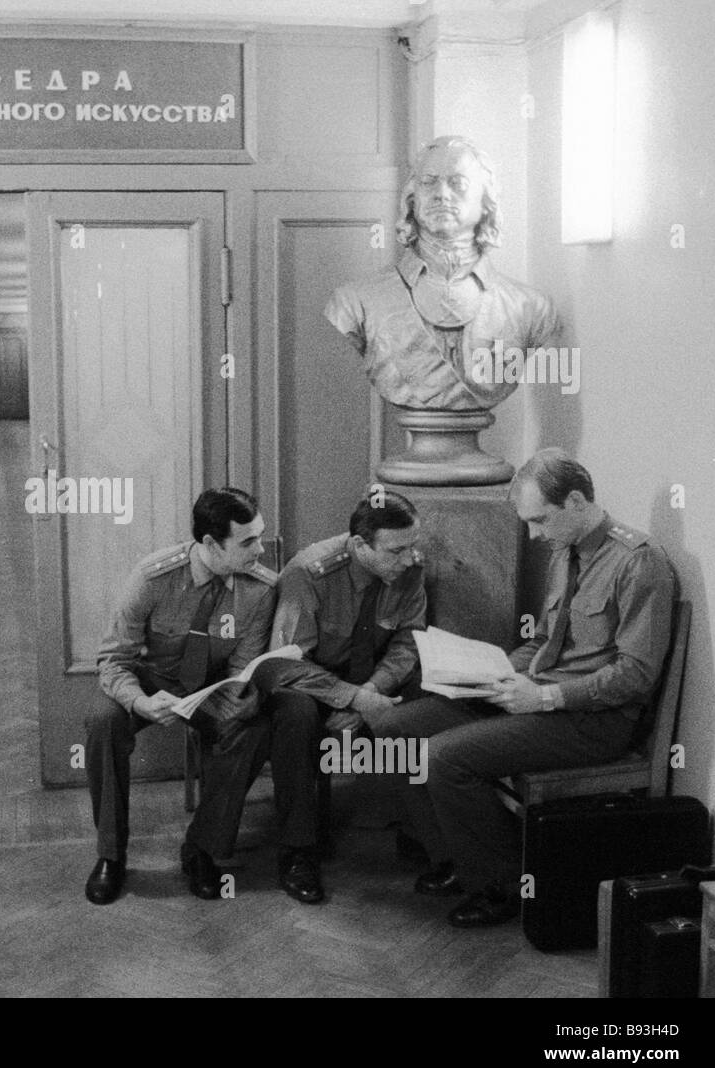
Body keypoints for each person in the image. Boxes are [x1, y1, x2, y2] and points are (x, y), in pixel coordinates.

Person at [375, 449, 676, 927]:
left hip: (593, 720)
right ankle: (455, 855)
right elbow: (542, 638)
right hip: (536, 692)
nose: (535, 535)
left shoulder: (639, 564)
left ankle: (501, 885)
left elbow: (635, 675)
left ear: (575, 501)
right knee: (394, 730)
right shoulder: (566, 550)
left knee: (443, 757)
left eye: (539, 521)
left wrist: (546, 696)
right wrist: (496, 673)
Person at [83, 486, 316, 905]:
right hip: (149, 681)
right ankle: (111, 856)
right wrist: (140, 701)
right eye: (247, 541)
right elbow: (113, 659)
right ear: (210, 543)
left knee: (250, 727)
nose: (260, 550)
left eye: (260, 535)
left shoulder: (260, 588)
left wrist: (238, 698)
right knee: (103, 722)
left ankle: (203, 849)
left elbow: (239, 666)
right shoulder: (153, 578)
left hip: (209, 688)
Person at [254, 491, 427, 902]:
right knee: (294, 713)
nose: (409, 559)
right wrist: (350, 698)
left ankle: (423, 832)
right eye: (397, 550)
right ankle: (298, 851)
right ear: (359, 545)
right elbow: (285, 663)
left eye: (413, 546)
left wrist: (369, 693)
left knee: (428, 691)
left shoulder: (409, 568)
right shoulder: (309, 574)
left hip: (371, 682)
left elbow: (408, 642)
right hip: (313, 682)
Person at [325, 135, 559, 413]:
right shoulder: (355, 303)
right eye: (429, 182)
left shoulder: (531, 308)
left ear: (487, 201)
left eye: (458, 183)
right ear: (412, 198)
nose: (442, 194)